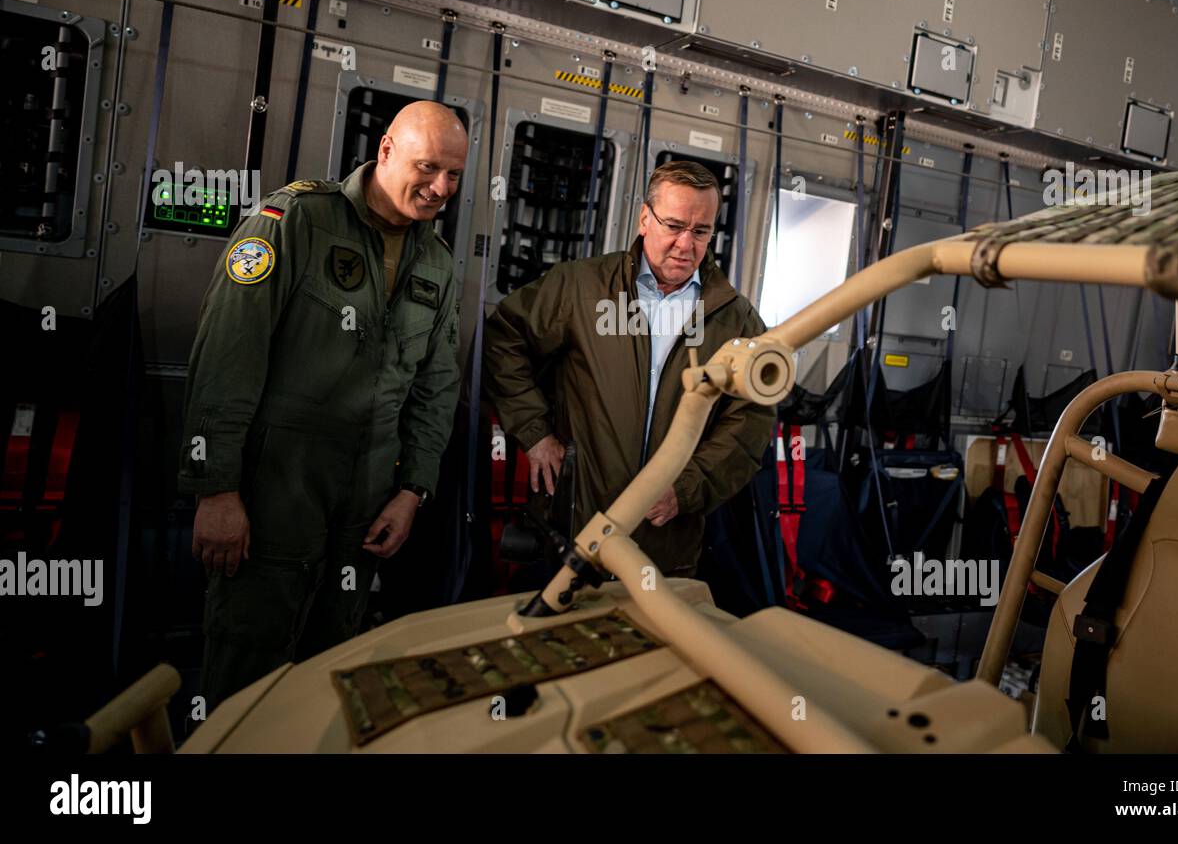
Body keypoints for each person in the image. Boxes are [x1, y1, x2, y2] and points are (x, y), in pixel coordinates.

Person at [179, 101, 465, 707]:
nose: (442, 187)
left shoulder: (436, 263)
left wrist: (413, 490)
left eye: (455, 175)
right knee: (245, 670)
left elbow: (436, 389)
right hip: (273, 493)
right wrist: (215, 489)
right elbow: (227, 356)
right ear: (385, 150)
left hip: (363, 508)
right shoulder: (295, 220)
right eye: (429, 166)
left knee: (334, 670)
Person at [484, 160, 774, 577]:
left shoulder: (737, 319)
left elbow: (750, 420)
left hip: (665, 546)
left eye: (700, 231)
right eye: (673, 225)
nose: (685, 245)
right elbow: (504, 339)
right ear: (644, 218)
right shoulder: (581, 288)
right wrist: (535, 432)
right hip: (574, 528)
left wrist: (688, 487)